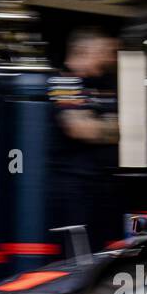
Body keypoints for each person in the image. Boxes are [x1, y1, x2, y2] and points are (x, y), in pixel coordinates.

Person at [49, 28, 119, 247]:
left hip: (100, 187)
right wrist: (99, 126)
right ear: (83, 50)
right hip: (71, 190)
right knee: (77, 256)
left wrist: (94, 124)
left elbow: (119, 130)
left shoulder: (104, 85)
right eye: (103, 51)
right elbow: (78, 128)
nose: (108, 57)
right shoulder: (63, 82)